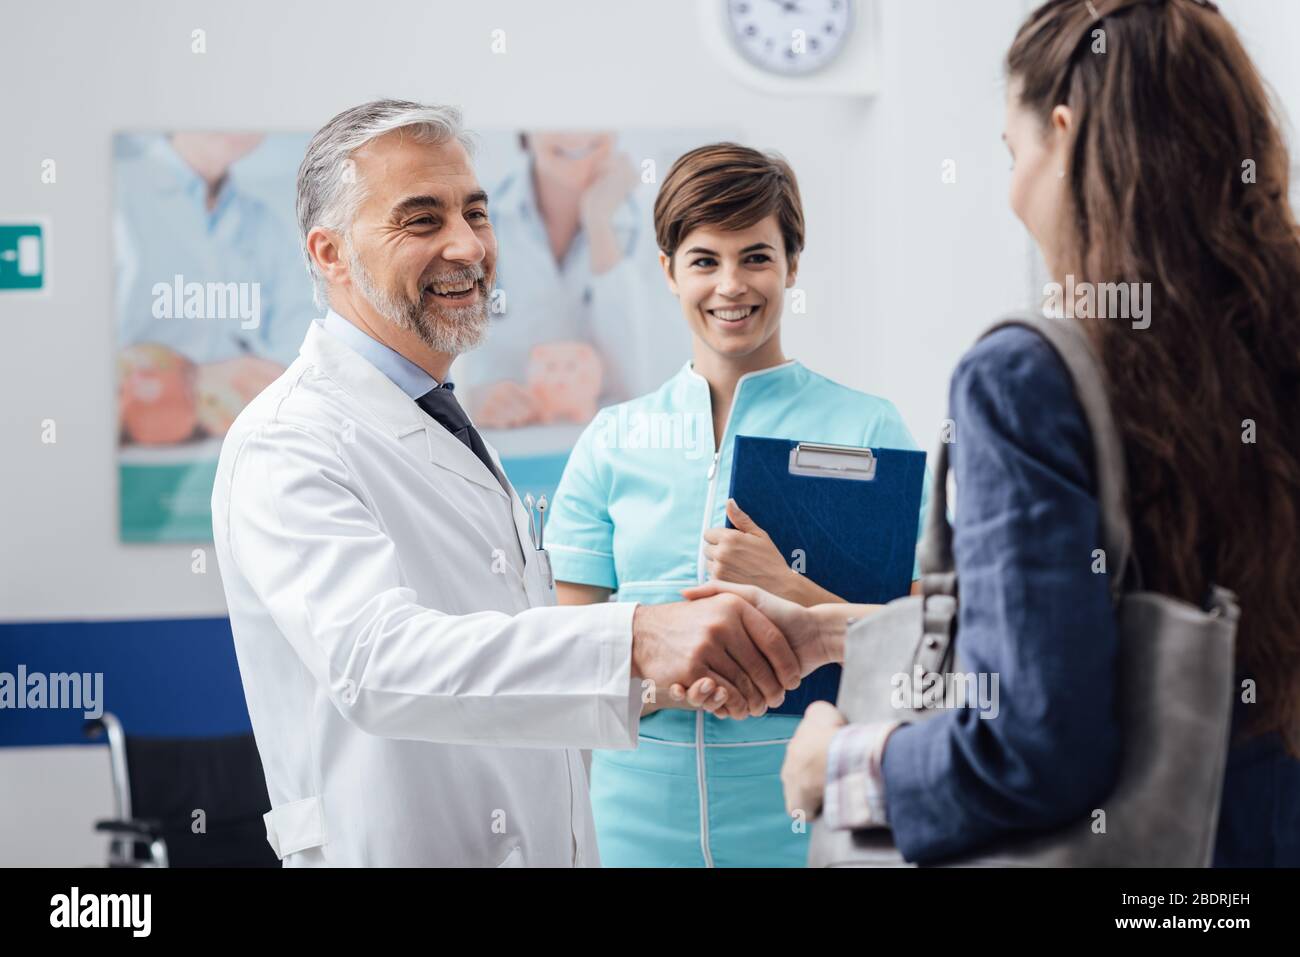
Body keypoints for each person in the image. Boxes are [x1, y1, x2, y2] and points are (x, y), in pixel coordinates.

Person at [695, 0, 1300, 867]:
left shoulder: (1028, 381)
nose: (1014, 194)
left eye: (1012, 155)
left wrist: (839, 762)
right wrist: (842, 634)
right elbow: (1109, 632)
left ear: (1063, 133)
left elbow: (1036, 744)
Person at [210, 100, 834, 868]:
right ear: (330, 254)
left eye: (476, 211)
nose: (467, 245)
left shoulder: (444, 421)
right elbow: (378, 661)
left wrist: (670, 678)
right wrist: (637, 637)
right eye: (421, 219)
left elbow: (516, 661)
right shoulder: (290, 439)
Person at [545, 143, 929, 867]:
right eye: (704, 260)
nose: (731, 285)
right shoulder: (611, 442)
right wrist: (680, 683)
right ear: (666, 270)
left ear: (792, 264)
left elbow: (920, 648)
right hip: (633, 824)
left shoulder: (872, 430)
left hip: (810, 811)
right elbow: (568, 660)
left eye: (756, 256)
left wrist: (790, 586)